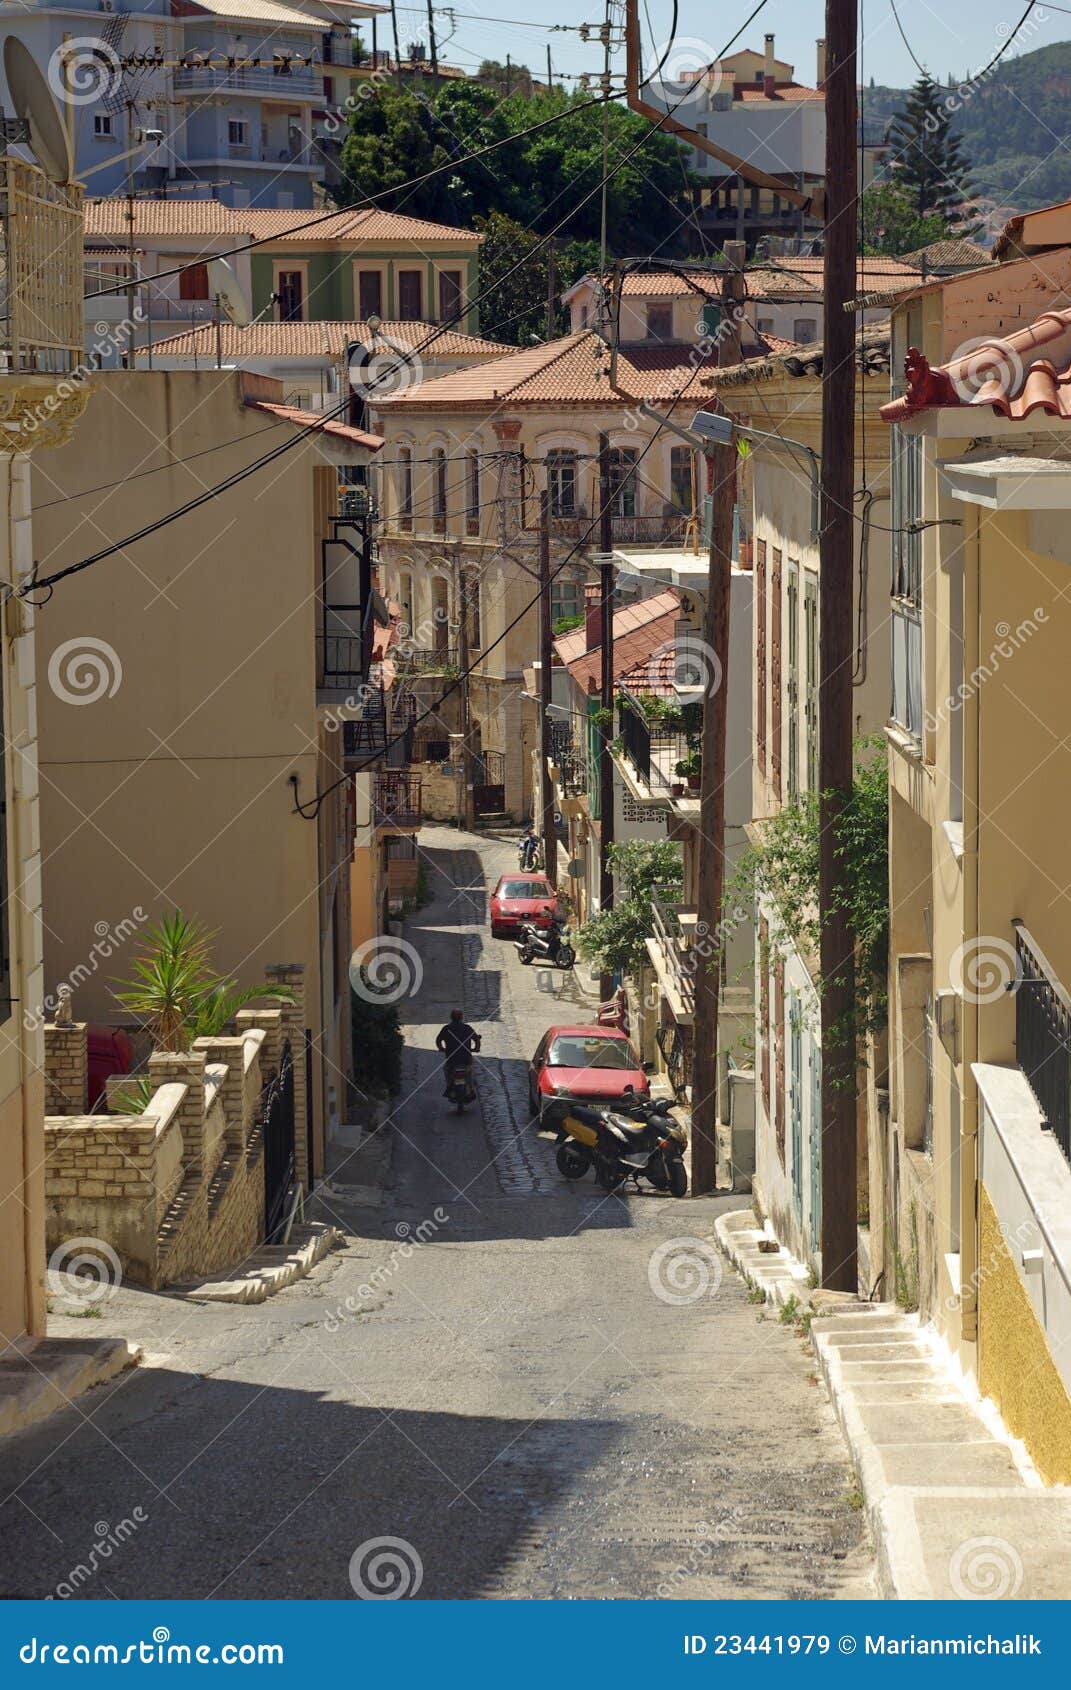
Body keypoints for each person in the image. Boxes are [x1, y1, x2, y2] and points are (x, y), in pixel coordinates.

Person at [436, 1008, 481, 1094]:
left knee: (446, 1070)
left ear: (451, 1017)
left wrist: (441, 1048)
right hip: (466, 1059)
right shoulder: (467, 1028)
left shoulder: (446, 1028)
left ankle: (449, 1087)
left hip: (452, 1060)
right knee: (470, 1072)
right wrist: (476, 1049)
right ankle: (471, 1089)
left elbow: (438, 1040)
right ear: (462, 1017)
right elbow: (476, 1039)